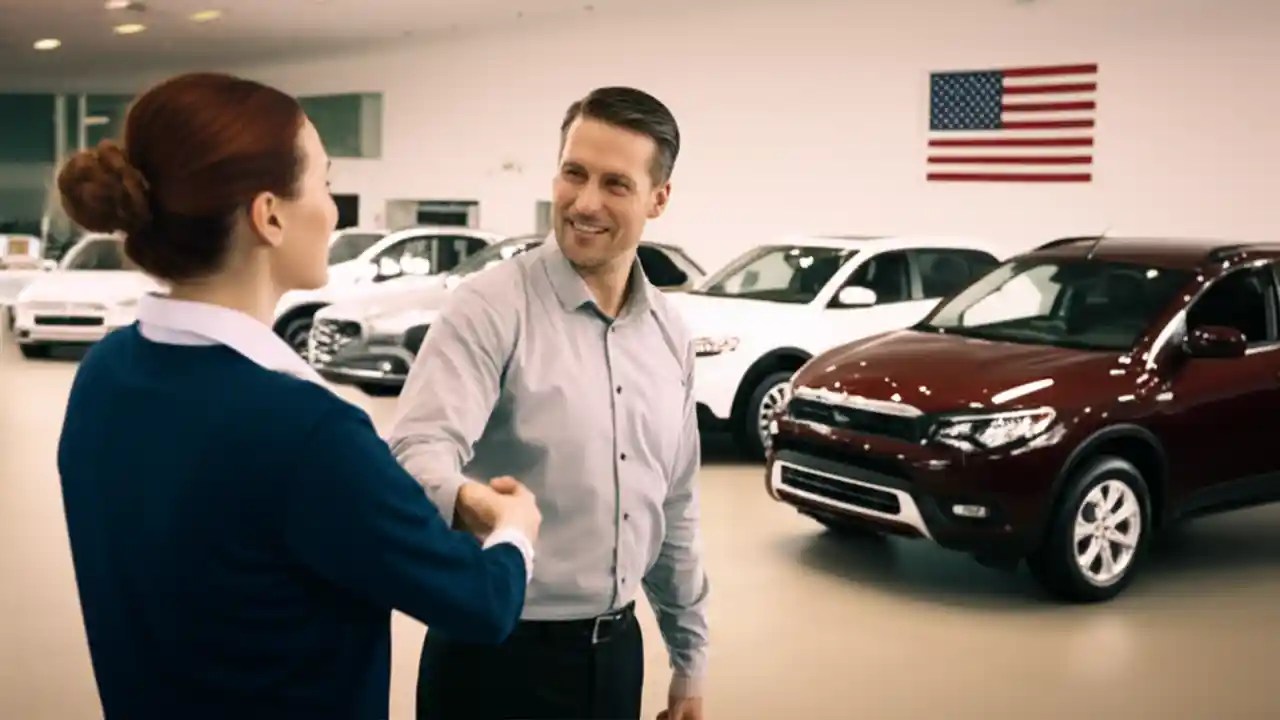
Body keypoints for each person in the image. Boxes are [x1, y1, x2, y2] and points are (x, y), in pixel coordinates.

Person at [53, 72, 542, 719]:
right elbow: (480, 603)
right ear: (270, 215)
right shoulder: (307, 431)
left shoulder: (104, 375)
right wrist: (516, 531)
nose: (335, 210)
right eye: (326, 183)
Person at [388, 86, 710, 720]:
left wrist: (689, 662)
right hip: (493, 655)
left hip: (617, 654)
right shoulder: (490, 307)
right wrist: (474, 504)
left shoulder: (670, 333)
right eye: (574, 173)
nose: (585, 203)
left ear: (659, 198)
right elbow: (415, 451)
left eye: (616, 184)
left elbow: (675, 504)